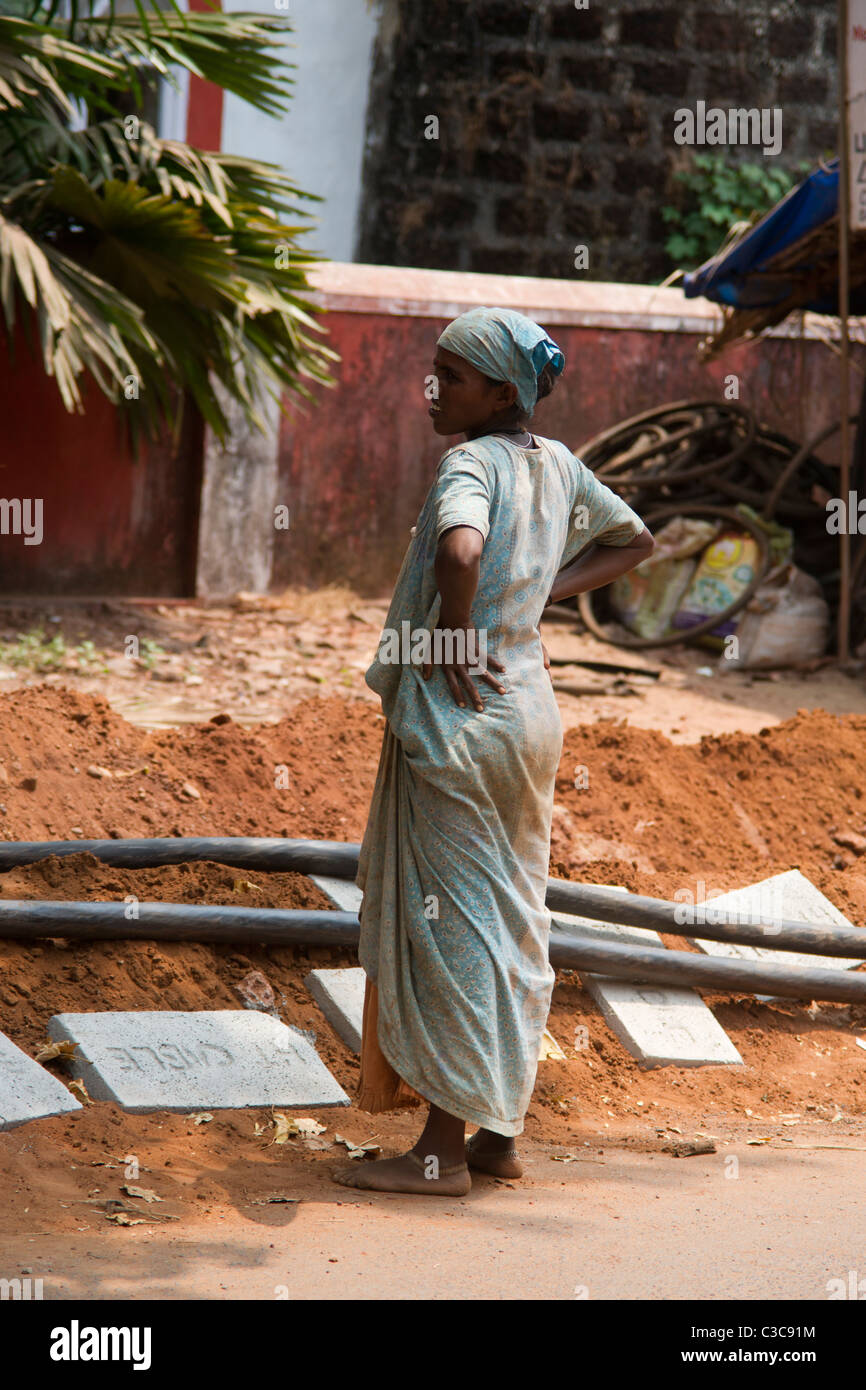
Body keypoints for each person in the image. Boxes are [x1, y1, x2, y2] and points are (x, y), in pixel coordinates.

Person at [332, 306, 654, 1196]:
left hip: (463, 719)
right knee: (512, 919)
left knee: (454, 929)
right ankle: (498, 1136)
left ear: (501, 391)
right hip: (530, 711)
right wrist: (539, 595)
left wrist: (460, 636)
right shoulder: (559, 466)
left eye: (453, 376)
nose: (435, 390)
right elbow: (638, 540)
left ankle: (439, 1151)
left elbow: (461, 549)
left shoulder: (468, 463)